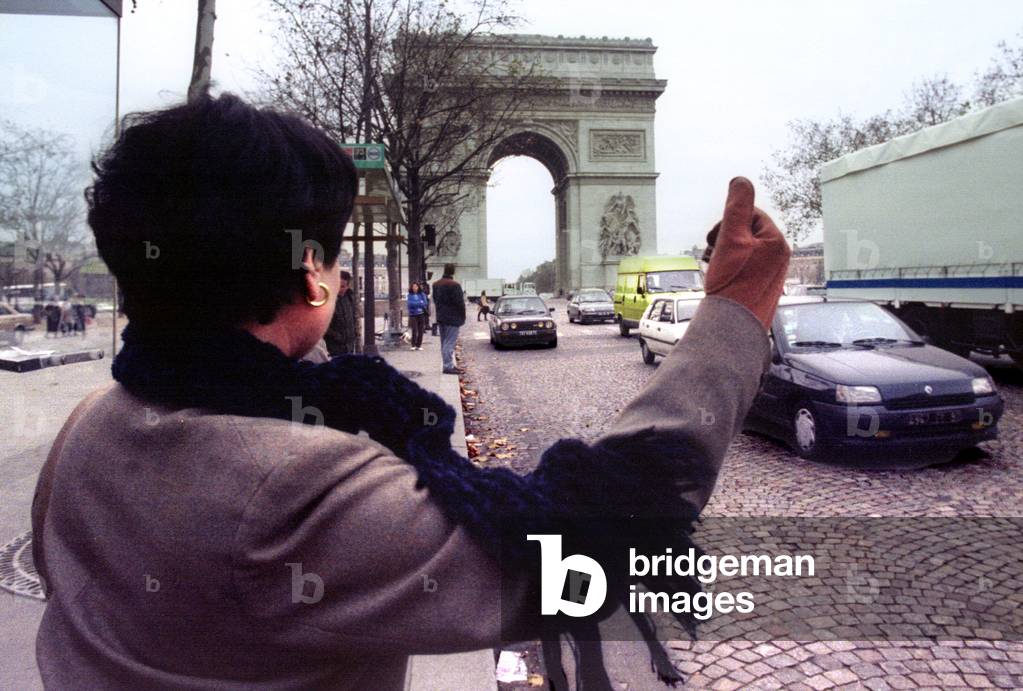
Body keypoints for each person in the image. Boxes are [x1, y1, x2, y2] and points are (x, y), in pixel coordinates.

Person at [32, 92, 789, 690]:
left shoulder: (89, 428)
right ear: (312, 274)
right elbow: (591, 547)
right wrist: (733, 317)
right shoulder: (296, 491)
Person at [431, 263, 465, 374]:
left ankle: (449, 364)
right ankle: (448, 366)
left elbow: (435, 300)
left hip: (441, 317)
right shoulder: (455, 285)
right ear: (453, 272)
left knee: (444, 342)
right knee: (449, 343)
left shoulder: (436, 284)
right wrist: (462, 317)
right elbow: (460, 303)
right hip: (453, 318)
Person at [324, 270, 357, 355]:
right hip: (333, 347)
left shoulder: (350, 298)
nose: (339, 289)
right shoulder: (327, 300)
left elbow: (354, 318)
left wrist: (354, 335)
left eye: (342, 286)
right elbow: (322, 324)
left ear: (348, 286)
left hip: (349, 346)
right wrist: (337, 336)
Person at [406, 282, 429, 350]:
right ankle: (413, 345)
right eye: (413, 287)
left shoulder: (422, 294)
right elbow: (410, 304)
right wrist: (419, 303)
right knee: (414, 330)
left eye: (416, 286)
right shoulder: (410, 295)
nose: (414, 288)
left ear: (418, 287)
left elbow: (425, 303)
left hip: (421, 314)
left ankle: (419, 345)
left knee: (421, 330)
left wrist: (416, 304)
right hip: (413, 314)